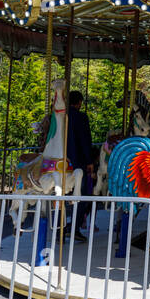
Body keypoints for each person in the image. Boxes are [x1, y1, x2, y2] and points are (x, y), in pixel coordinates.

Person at [66, 90, 96, 242]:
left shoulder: (60, 117)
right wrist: (90, 161)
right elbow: (85, 140)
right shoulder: (81, 117)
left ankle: (63, 227)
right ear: (79, 103)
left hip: (61, 161)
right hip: (78, 163)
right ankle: (73, 228)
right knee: (83, 196)